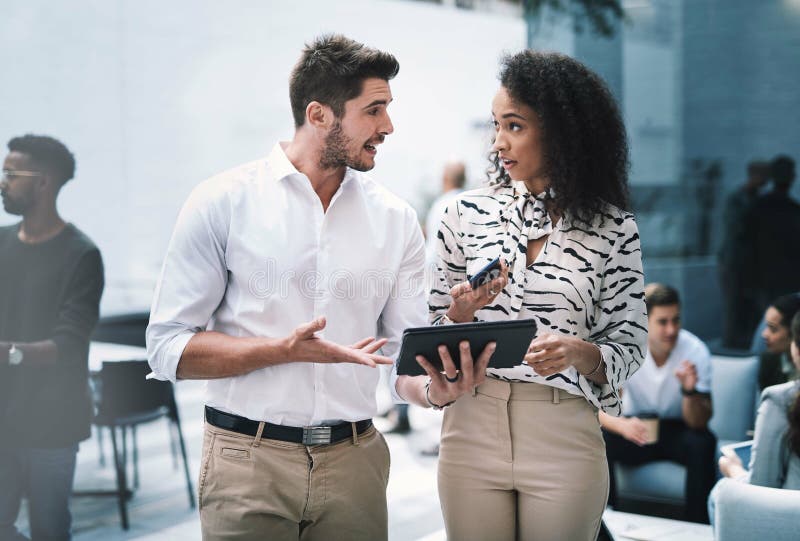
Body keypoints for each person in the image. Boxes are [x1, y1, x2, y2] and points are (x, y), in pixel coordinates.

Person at [146, 35, 426, 541]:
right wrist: (282, 350)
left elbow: (406, 355)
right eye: (374, 110)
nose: (388, 127)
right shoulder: (221, 202)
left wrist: (434, 390)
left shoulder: (397, 219)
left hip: (356, 465)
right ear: (318, 115)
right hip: (246, 462)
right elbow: (168, 347)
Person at [394, 50, 648, 541]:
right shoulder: (463, 215)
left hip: (563, 435)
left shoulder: (614, 229)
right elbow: (425, 338)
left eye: (514, 126)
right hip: (470, 427)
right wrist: (459, 314)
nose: (498, 141)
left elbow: (632, 342)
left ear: (561, 130)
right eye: (496, 125)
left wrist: (580, 351)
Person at [0, 135, 105, 541]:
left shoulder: (81, 254)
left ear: (42, 182)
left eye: (10, 174)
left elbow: (67, 348)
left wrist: (7, 354)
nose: (2, 182)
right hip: (3, 418)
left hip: (52, 424)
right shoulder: (1, 243)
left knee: (48, 530)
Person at [600, 283, 717, 523]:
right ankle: (608, 523)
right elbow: (597, 409)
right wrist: (623, 425)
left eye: (676, 320)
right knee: (599, 438)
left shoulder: (695, 350)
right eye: (663, 322)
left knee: (703, 441)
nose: (671, 330)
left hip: (677, 430)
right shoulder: (624, 348)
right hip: (636, 428)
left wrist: (690, 391)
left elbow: (698, 422)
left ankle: (698, 525)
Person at [386, 160, 467, 436]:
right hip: (454, 289)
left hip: (434, 288)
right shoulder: (466, 203)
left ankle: (404, 412)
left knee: (411, 347)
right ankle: (406, 408)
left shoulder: (443, 205)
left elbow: (434, 252)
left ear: (445, 178)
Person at [708, 311, 800, 524]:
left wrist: (732, 469)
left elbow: (759, 489)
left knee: (719, 494)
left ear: (795, 348)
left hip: (789, 523)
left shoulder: (781, 399)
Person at [718, 160, 770, 349]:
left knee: (749, 308)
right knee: (734, 307)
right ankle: (731, 347)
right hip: (735, 263)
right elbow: (737, 229)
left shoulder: (755, 199)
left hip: (751, 264)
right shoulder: (738, 199)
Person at [744, 155, 800, 313]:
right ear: (792, 178)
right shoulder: (794, 210)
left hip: (765, 280)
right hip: (786, 280)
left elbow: (747, 246)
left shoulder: (757, 207)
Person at [757, 293, 800, 391]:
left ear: (793, 332)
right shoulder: (768, 361)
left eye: (773, 329)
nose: (764, 334)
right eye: (766, 326)